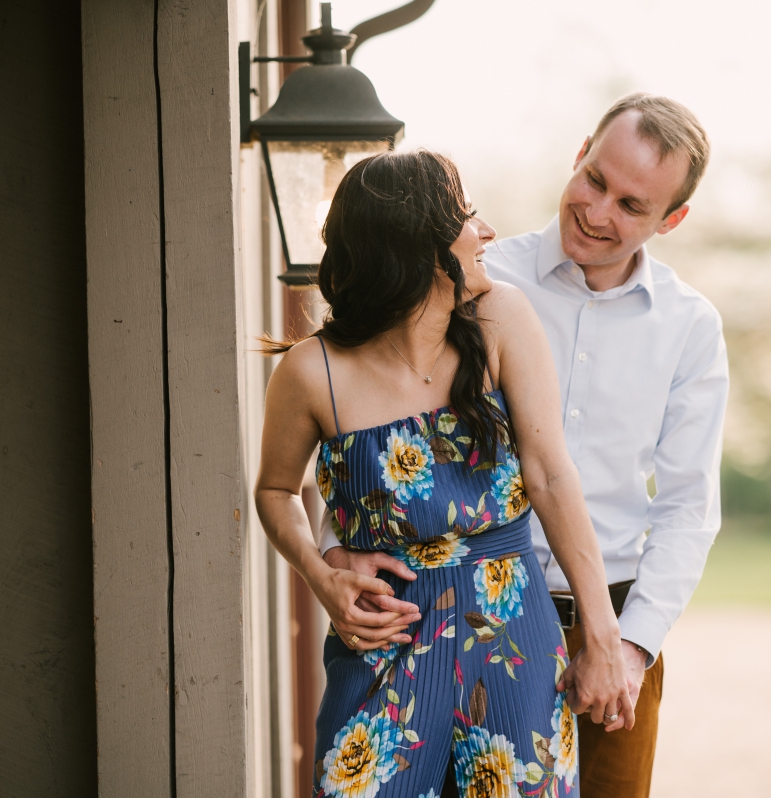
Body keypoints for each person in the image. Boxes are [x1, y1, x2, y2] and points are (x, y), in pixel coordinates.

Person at [322, 93, 728, 798]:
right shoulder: (469, 274)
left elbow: (687, 507)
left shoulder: (689, 327)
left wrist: (629, 646)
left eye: (632, 205)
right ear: (580, 153)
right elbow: (365, 419)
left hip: (611, 630)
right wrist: (337, 550)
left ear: (671, 220)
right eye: (595, 180)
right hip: (456, 615)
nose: (598, 212)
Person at [255, 149, 632, 798]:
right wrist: (320, 574)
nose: (486, 232)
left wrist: (602, 636)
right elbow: (275, 490)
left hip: (512, 628)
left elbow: (550, 476)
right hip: (385, 632)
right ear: (416, 245)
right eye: (467, 217)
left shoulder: (501, 318)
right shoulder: (311, 373)